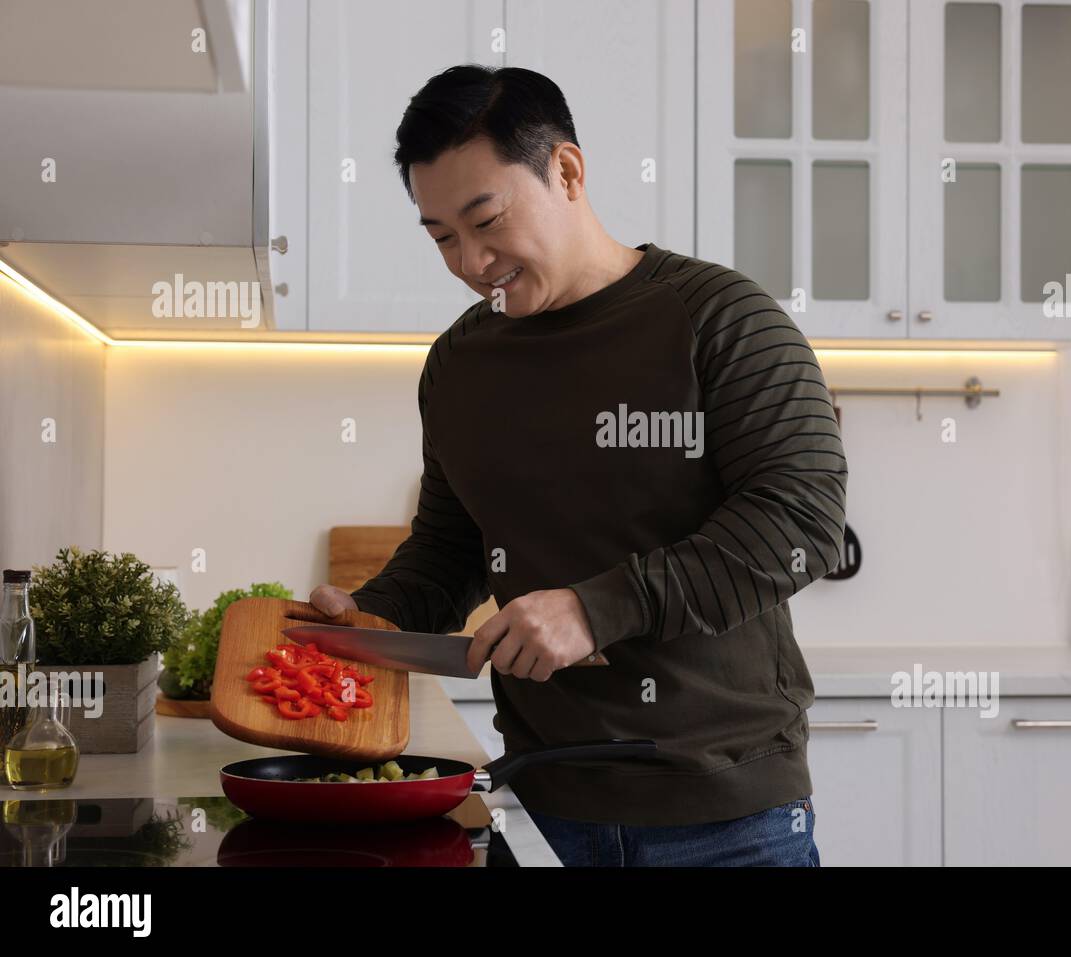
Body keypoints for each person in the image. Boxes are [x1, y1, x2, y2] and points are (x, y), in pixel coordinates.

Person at [309, 64, 847, 867]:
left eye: (486, 220)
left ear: (566, 171)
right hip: (539, 809)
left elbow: (802, 521)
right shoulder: (458, 363)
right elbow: (451, 548)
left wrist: (595, 610)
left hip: (727, 821)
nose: (471, 261)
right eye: (443, 237)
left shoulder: (723, 319)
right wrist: (368, 620)